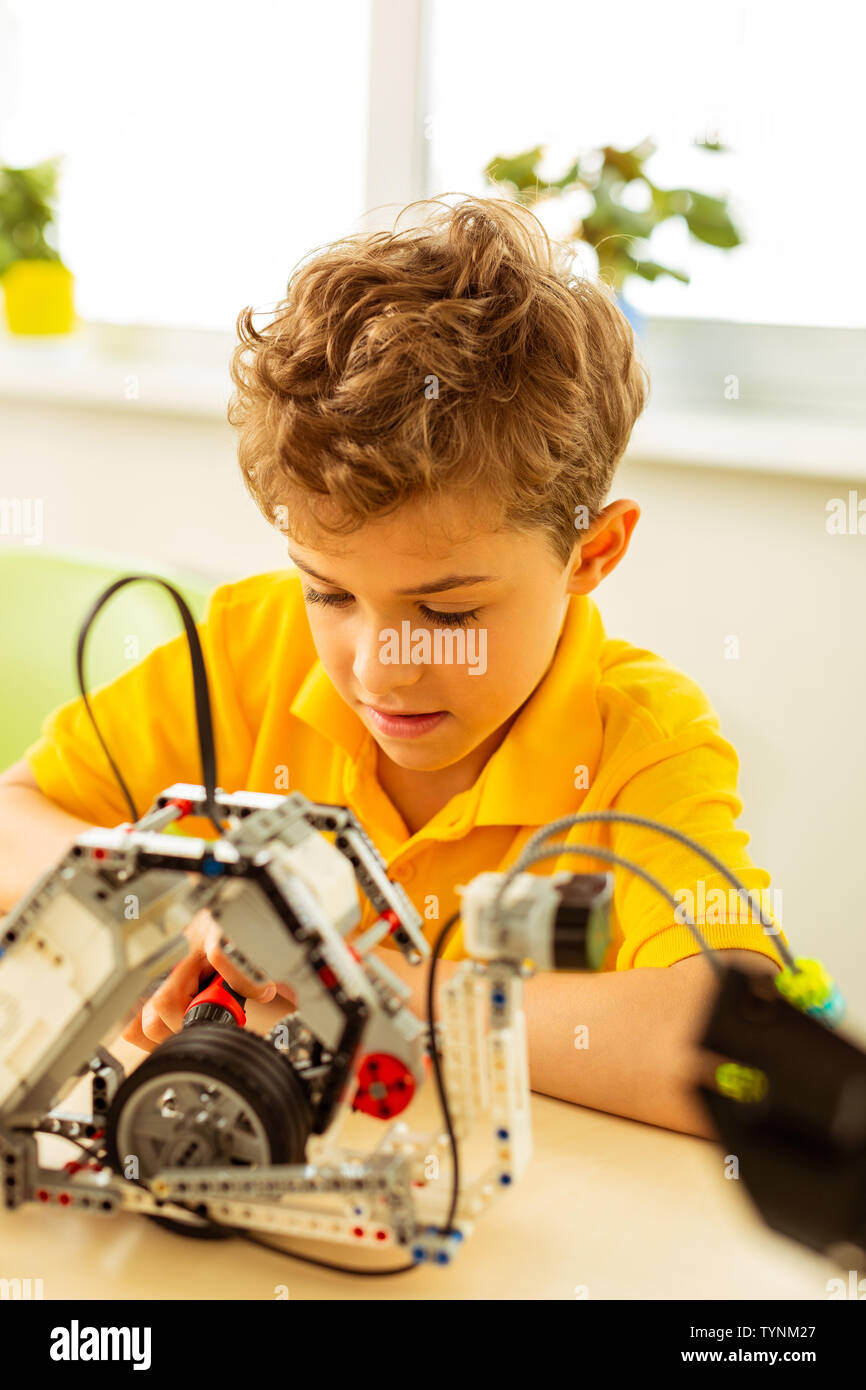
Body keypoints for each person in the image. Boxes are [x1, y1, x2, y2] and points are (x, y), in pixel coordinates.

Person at [0, 196, 785, 1137]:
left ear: (592, 553)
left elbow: (738, 1060)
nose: (380, 670)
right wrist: (195, 894)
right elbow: (14, 820)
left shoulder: (643, 745)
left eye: (447, 611)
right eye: (330, 594)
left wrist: (349, 968)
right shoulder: (250, 647)